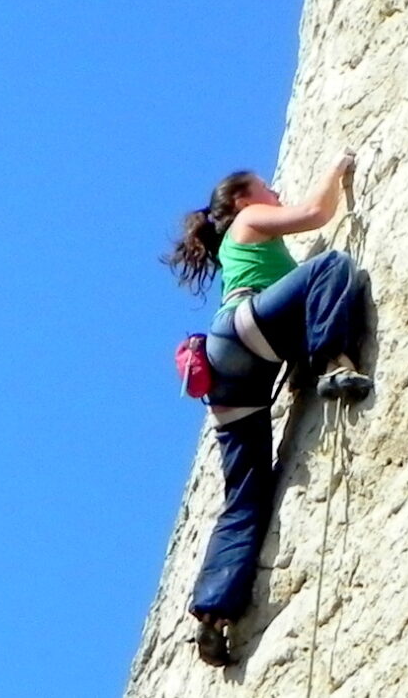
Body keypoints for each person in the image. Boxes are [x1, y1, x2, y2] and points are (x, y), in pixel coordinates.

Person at [164, 154, 372, 667]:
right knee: (331, 266)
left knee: (246, 495)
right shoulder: (249, 221)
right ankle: (334, 364)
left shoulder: (244, 241)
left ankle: (214, 613)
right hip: (247, 330)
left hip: (228, 363)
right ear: (240, 201)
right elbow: (316, 215)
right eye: (266, 188)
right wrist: (337, 169)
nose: (274, 194)